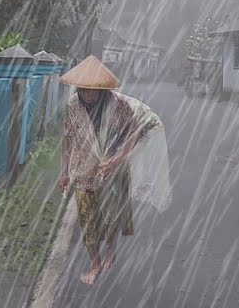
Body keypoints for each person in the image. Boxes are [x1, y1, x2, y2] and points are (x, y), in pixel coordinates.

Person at [58, 56, 170, 285]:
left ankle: (111, 249)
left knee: (111, 217)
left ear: (101, 89)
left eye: (92, 90)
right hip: (83, 169)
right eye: (83, 89)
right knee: (87, 220)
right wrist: (64, 171)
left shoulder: (118, 105)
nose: (88, 95)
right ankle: (95, 264)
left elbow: (134, 133)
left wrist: (116, 160)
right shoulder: (73, 105)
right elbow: (68, 138)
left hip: (112, 171)